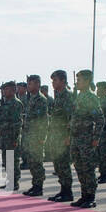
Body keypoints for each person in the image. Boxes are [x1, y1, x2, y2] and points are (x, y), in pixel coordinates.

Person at [69, 69, 104, 208]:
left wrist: (95, 138)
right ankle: (84, 195)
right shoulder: (79, 96)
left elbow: (100, 119)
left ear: (88, 81)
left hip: (86, 139)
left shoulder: (91, 98)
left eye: (80, 80)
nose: (77, 83)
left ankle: (90, 197)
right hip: (76, 138)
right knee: (79, 168)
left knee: (88, 169)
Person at [46, 69, 75, 202]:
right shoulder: (59, 95)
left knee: (63, 164)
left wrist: (68, 136)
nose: (53, 83)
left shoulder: (67, 95)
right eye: (52, 81)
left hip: (63, 136)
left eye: (55, 80)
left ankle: (67, 192)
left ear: (63, 81)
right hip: (56, 135)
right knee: (58, 165)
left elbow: (71, 117)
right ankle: (63, 190)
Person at [22, 73, 48, 196]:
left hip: (36, 136)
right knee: (32, 162)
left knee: (37, 162)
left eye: (30, 83)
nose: (28, 86)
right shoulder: (31, 98)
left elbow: (43, 120)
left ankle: (39, 187)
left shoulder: (41, 99)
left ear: (37, 84)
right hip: (29, 136)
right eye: (28, 83)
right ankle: (35, 185)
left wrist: (41, 138)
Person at [0, 80, 22, 191]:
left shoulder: (16, 103)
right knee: (6, 161)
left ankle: (14, 183)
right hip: (4, 137)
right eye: (3, 89)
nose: (4, 92)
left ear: (13, 90)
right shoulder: (5, 103)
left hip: (12, 138)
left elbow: (17, 123)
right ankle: (9, 181)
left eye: (6, 89)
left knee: (13, 161)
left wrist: (15, 138)